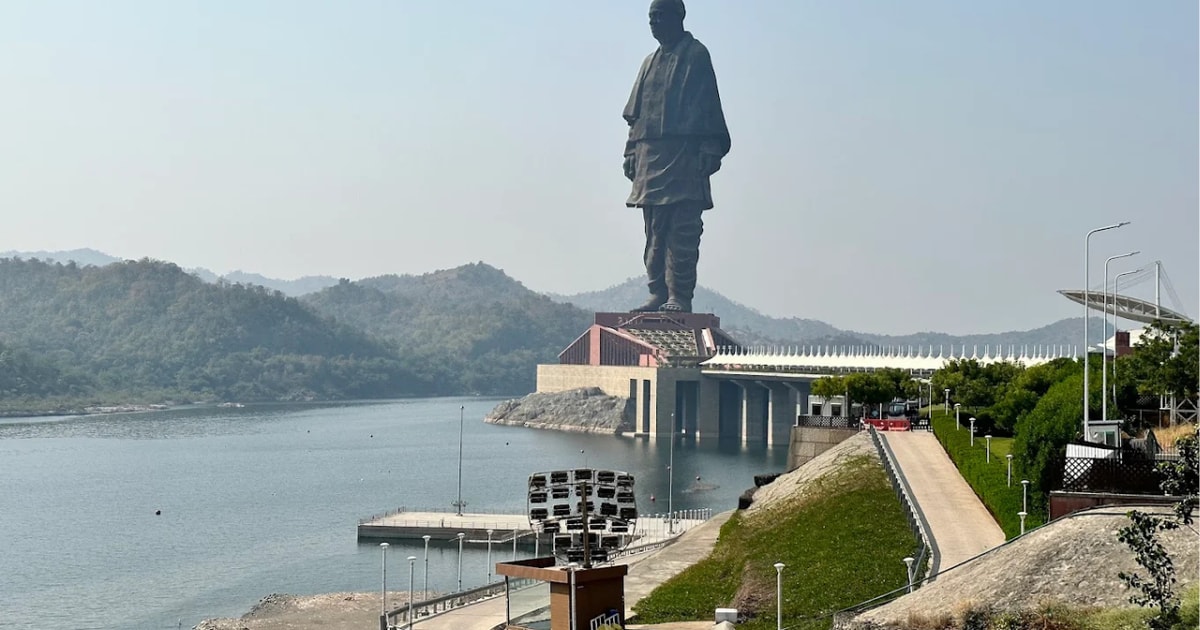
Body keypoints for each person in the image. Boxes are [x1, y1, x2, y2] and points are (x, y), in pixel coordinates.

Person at [623, 0, 730, 313]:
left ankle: (679, 296)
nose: (654, 22)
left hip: (683, 155)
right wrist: (631, 151)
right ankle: (657, 291)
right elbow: (635, 115)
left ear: (678, 17)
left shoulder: (696, 55)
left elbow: (708, 106)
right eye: (650, 17)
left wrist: (709, 149)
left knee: (682, 229)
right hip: (649, 156)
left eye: (660, 16)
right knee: (654, 231)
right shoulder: (648, 62)